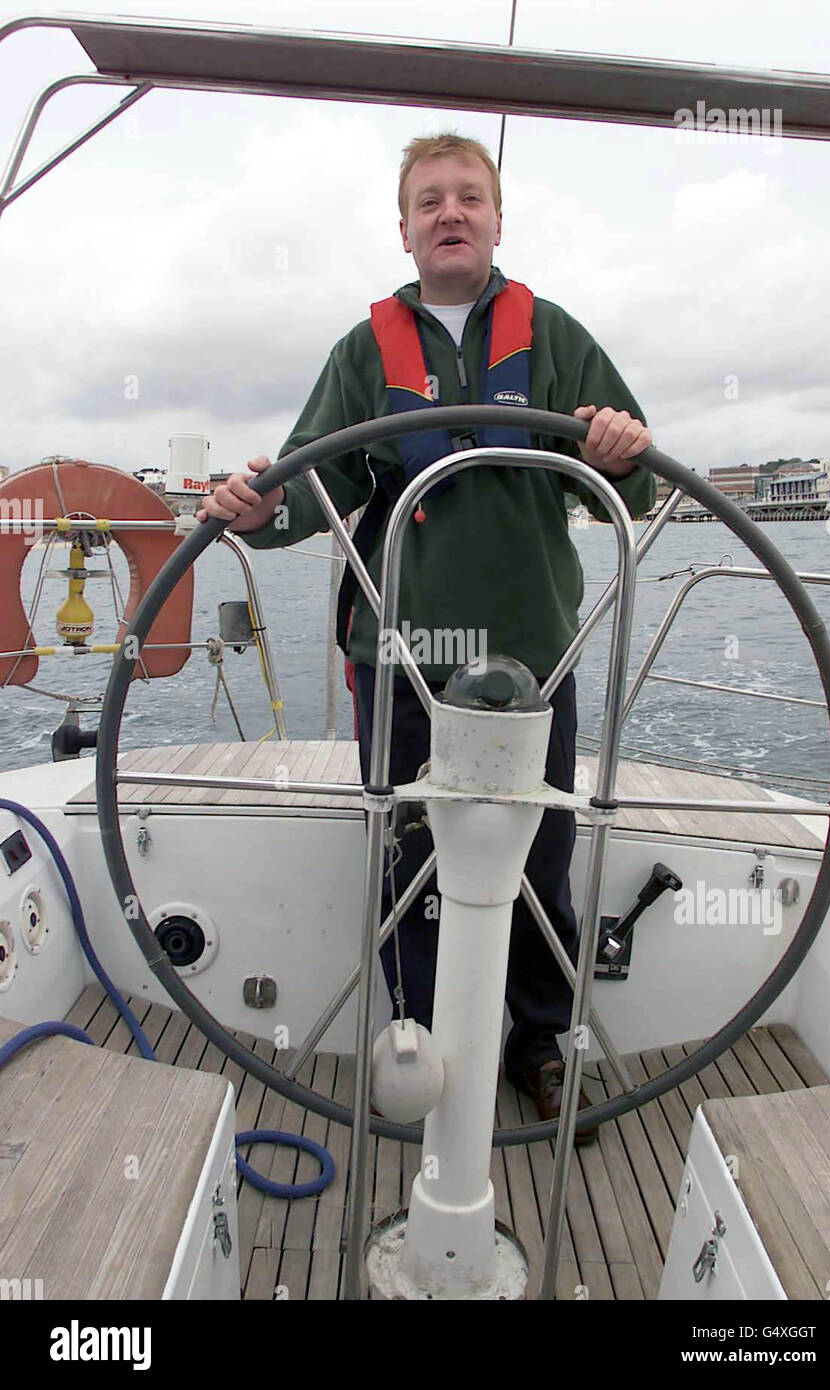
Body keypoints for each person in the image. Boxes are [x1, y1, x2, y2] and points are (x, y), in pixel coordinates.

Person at [197, 132, 655, 1144]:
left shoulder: (556, 335)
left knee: (536, 855)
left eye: (468, 198)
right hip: (398, 656)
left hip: (534, 655)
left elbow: (639, 477)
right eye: (428, 201)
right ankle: (415, 1042)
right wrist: (244, 505)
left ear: (497, 219)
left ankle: (538, 1044)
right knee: (408, 858)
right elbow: (308, 489)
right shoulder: (363, 354)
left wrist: (622, 448)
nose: (449, 214)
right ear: (402, 229)